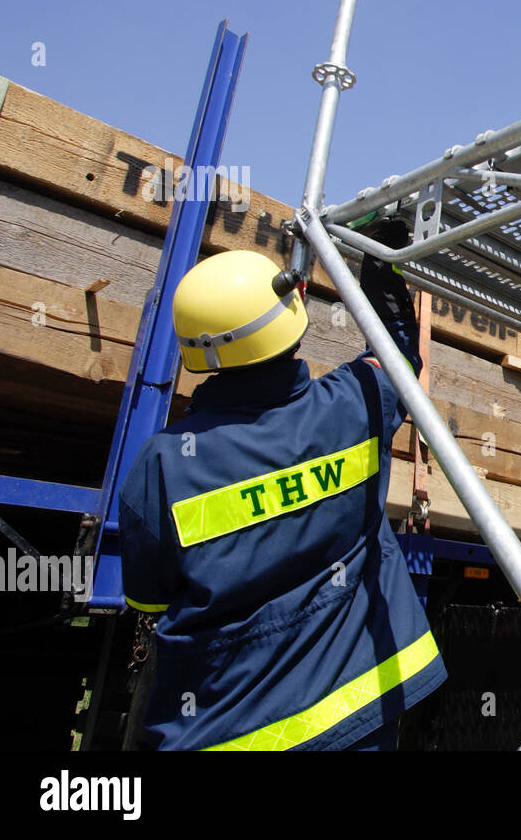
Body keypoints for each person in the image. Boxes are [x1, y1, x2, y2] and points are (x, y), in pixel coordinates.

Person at [118, 226, 445, 750]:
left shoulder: (164, 464)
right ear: (290, 319)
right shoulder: (351, 407)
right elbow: (398, 353)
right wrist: (382, 257)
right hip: (356, 713)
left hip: (219, 731)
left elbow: (150, 601)